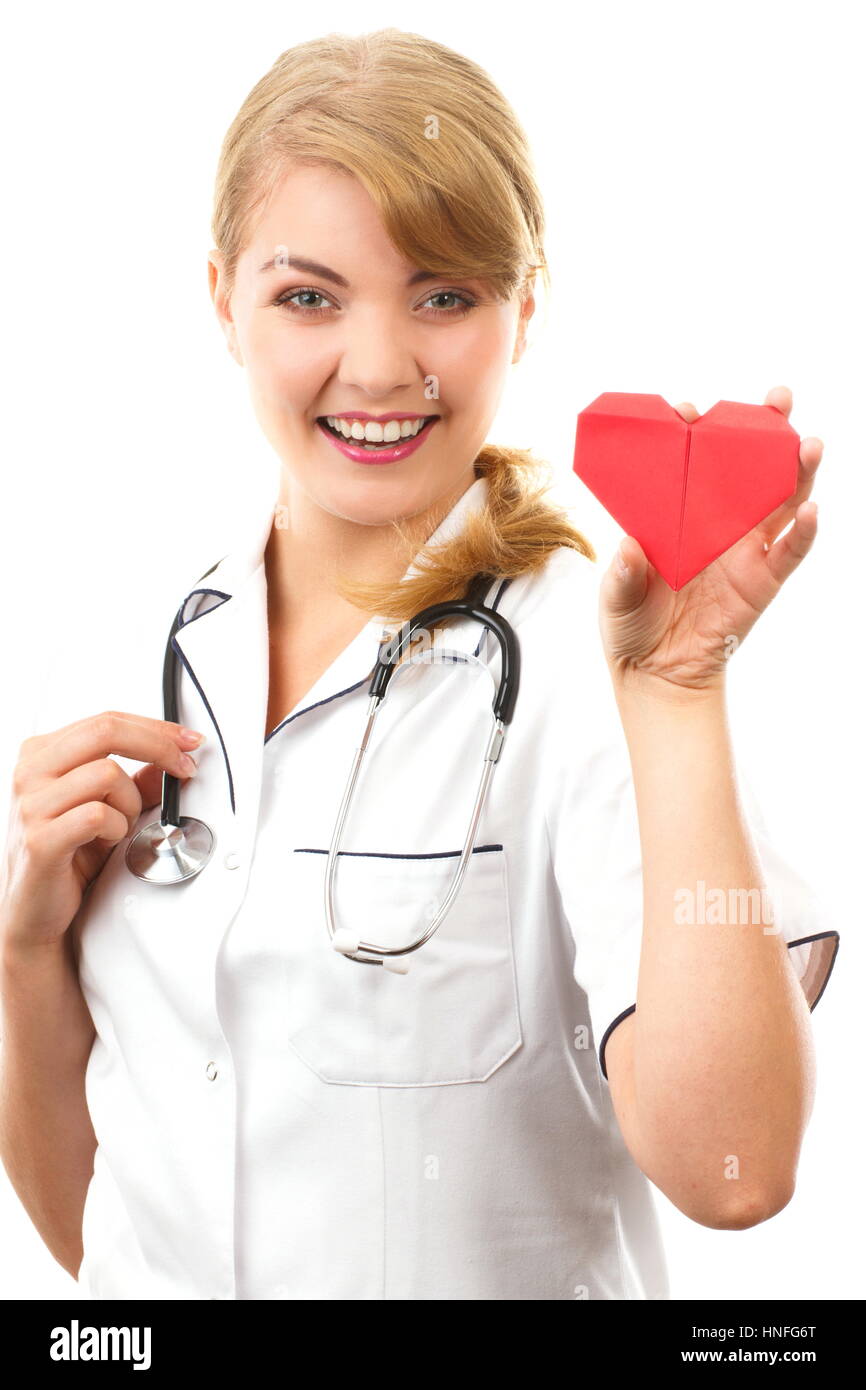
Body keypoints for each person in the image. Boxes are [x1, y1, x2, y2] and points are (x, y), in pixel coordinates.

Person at [0, 28, 839, 1302]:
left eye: (443, 293)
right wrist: (23, 954)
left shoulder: (600, 655)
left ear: (527, 305)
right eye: (308, 295)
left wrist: (675, 702)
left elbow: (734, 1170)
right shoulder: (126, 645)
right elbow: (98, 1247)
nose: (381, 364)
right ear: (220, 299)